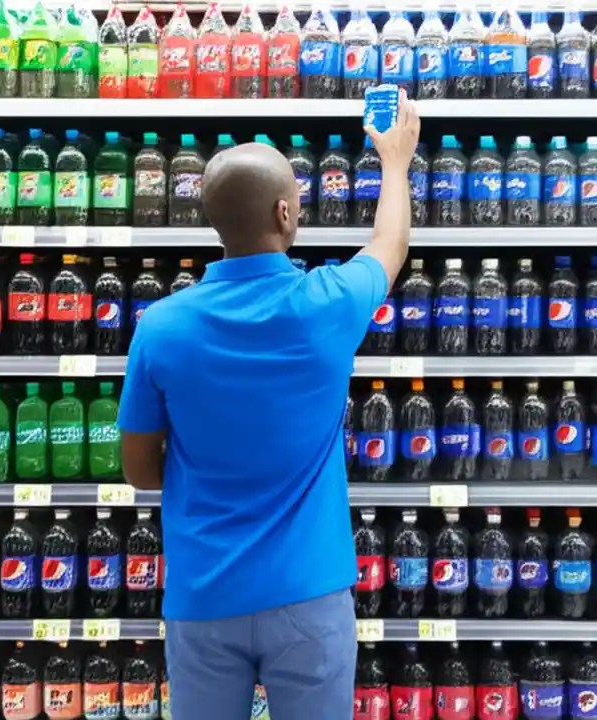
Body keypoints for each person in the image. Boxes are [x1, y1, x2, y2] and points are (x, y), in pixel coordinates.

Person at [117, 93, 420, 718]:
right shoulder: (326, 303)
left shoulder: (162, 326)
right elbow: (390, 245)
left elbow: (139, 471)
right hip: (309, 594)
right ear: (286, 213)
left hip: (203, 594)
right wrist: (395, 160)